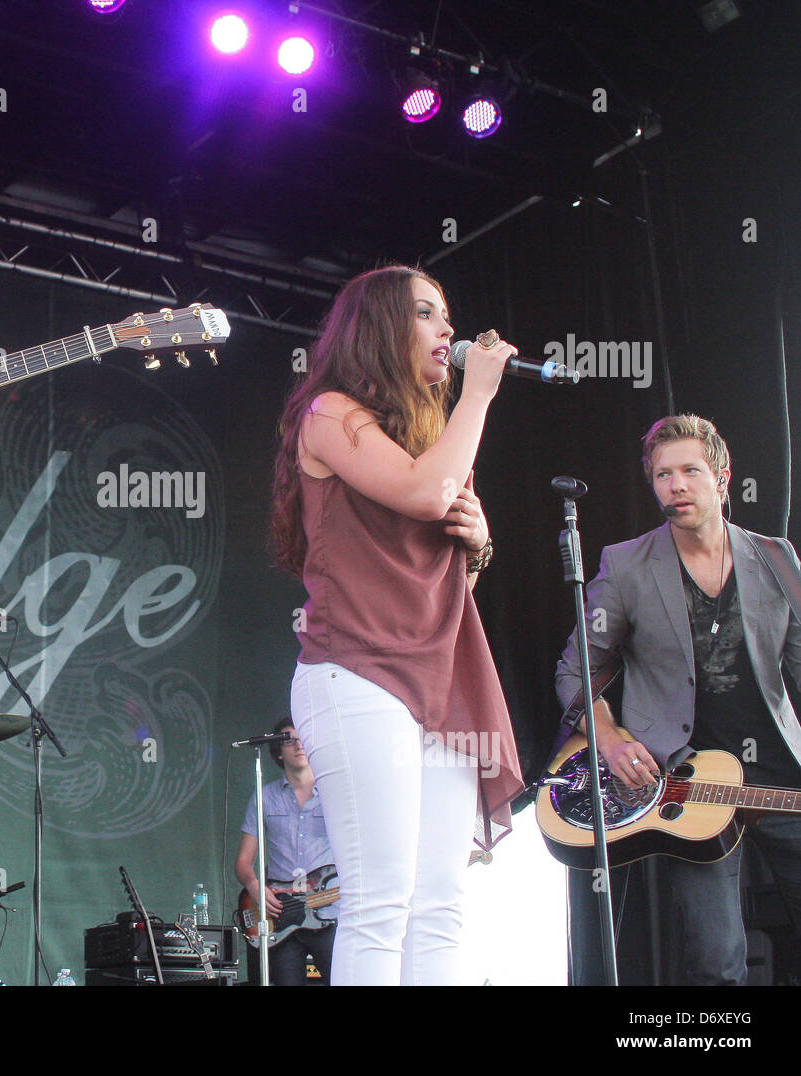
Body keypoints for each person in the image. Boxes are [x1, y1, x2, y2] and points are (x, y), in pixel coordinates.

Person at [270, 265, 523, 986]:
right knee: (381, 900)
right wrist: (478, 394)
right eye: (426, 314)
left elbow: (438, 590)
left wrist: (476, 546)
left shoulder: (431, 436)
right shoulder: (330, 414)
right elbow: (423, 492)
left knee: (439, 901)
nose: (449, 331)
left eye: (448, 315)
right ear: (380, 327)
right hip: (356, 675)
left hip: (436, 678)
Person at [556, 414, 801, 985]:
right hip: (684, 785)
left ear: (722, 477)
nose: (676, 485)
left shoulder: (778, 558)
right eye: (663, 475)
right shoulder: (626, 565)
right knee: (716, 964)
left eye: (690, 470)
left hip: (780, 774)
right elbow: (576, 671)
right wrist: (610, 739)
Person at [234, 719, 337, 985]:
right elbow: (244, 861)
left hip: (329, 912)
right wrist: (255, 886)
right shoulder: (264, 795)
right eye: (288, 739)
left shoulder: (335, 794)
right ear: (278, 751)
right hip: (281, 915)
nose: (298, 743)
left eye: (303, 737)